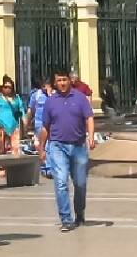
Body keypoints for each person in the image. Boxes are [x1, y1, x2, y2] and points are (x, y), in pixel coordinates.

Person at [38, 69, 95, 231]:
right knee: (61, 182)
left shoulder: (80, 98)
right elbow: (45, 127)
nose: (62, 83)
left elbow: (89, 117)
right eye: (59, 80)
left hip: (78, 146)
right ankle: (66, 219)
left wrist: (91, 137)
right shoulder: (50, 101)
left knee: (80, 183)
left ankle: (79, 212)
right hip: (57, 146)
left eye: (64, 79)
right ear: (55, 82)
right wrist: (41, 148)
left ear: (70, 80)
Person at [0, 74, 25, 154]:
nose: (7, 89)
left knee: (15, 150)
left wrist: (25, 122)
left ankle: (14, 166)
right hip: (1, 128)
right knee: (1, 151)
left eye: (9, 87)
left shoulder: (17, 98)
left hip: (14, 127)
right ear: (2, 87)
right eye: (5, 87)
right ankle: (1, 166)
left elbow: (21, 111)